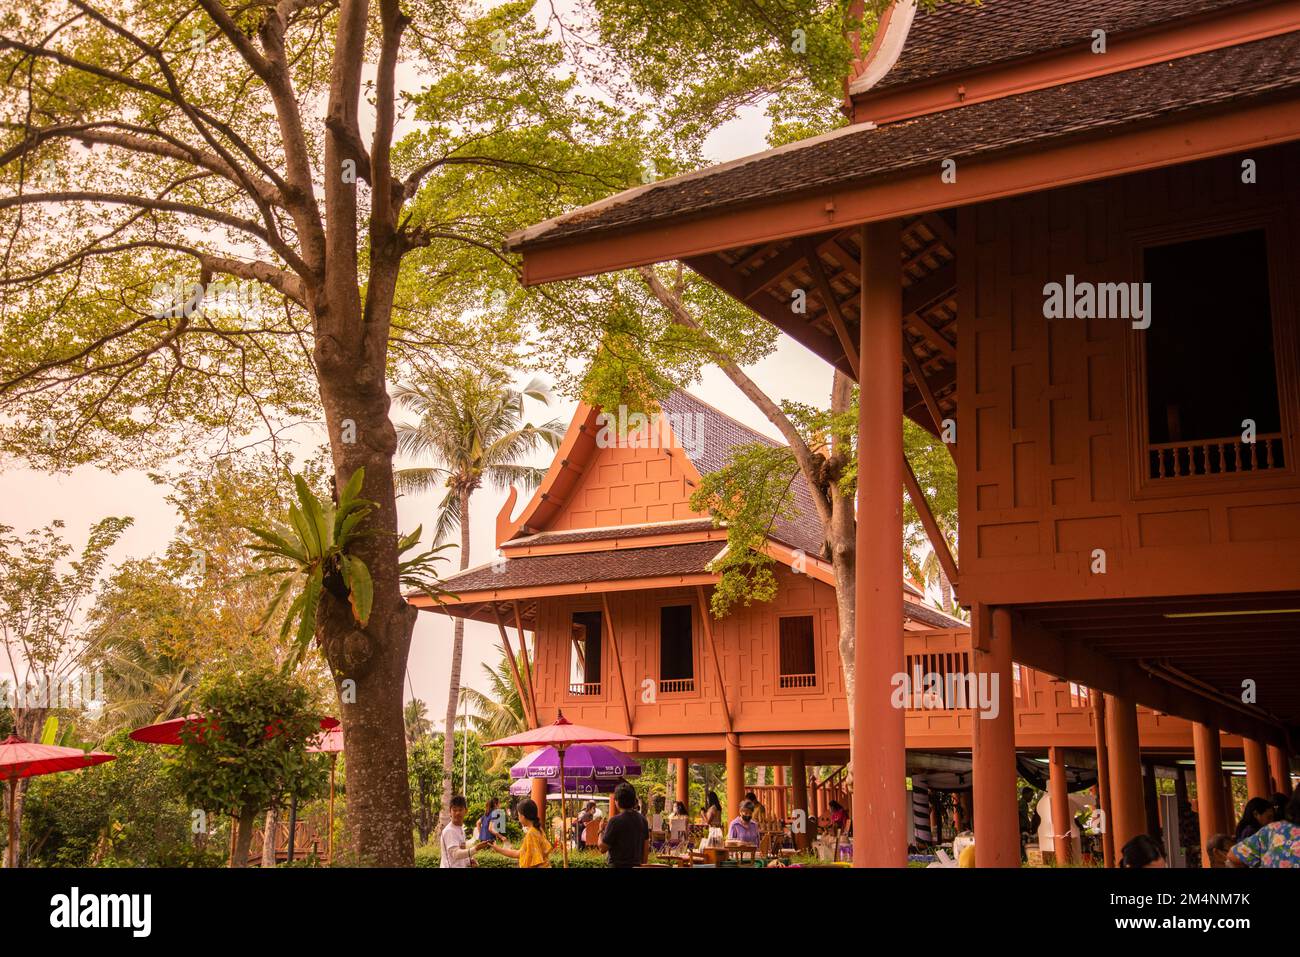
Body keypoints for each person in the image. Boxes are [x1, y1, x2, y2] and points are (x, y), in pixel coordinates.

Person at [1228, 790, 1300, 867]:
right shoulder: (1253, 831)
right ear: (1255, 814)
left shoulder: (1272, 829)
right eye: (1269, 817)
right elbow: (1236, 856)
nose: (1272, 821)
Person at [484, 798, 552, 868]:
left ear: (523, 816)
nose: (518, 818)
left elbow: (535, 863)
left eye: (518, 815)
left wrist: (498, 849)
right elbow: (519, 854)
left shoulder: (531, 834)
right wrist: (499, 849)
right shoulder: (538, 829)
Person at [599, 782, 650, 867]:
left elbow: (602, 848)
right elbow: (646, 850)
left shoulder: (614, 821)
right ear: (634, 800)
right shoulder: (643, 820)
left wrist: (600, 830)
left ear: (617, 801)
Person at [440, 795, 488, 868]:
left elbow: (461, 853)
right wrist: (476, 848)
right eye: (454, 810)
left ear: (466, 811)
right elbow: (456, 854)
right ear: (450, 811)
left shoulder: (460, 829)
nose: (457, 813)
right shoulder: (449, 831)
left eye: (460, 810)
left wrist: (469, 861)